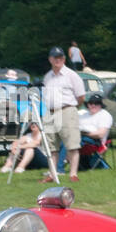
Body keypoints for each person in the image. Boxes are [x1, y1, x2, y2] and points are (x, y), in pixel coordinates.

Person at [41, 46, 86, 182]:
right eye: (55, 58)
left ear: (64, 59)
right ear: (50, 59)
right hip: (50, 112)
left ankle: (73, 174)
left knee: (72, 144)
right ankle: (52, 174)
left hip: (67, 110)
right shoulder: (47, 76)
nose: (58, 60)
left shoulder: (72, 75)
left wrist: (71, 108)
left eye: (60, 57)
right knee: (51, 146)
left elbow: (81, 97)